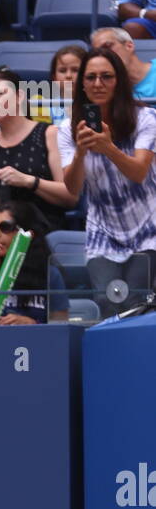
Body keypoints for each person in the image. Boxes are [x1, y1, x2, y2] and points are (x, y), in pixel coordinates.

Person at [58, 46, 156, 316]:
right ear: (82, 85)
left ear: (119, 81)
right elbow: (73, 189)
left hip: (148, 228)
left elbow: (138, 173)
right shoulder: (68, 129)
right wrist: (80, 151)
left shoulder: (145, 119)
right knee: (107, 300)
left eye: (106, 76)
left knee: (134, 301)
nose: (98, 83)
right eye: (90, 77)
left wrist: (109, 148)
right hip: (102, 231)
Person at [0, 68, 76, 234]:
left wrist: (29, 181)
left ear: (19, 96)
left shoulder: (49, 134)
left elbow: (70, 196)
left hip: (36, 227)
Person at [0, 199, 69, 325]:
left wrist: (33, 324)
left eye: (5, 227)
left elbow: (60, 324)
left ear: (28, 233)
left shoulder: (48, 273)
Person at [91, 26, 156, 104]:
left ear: (129, 46)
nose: (103, 54)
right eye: (97, 52)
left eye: (108, 46)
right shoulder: (109, 89)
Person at [32, 44, 85, 126]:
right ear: (54, 78)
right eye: (62, 70)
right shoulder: (44, 106)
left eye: (75, 70)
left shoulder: (95, 104)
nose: (68, 75)